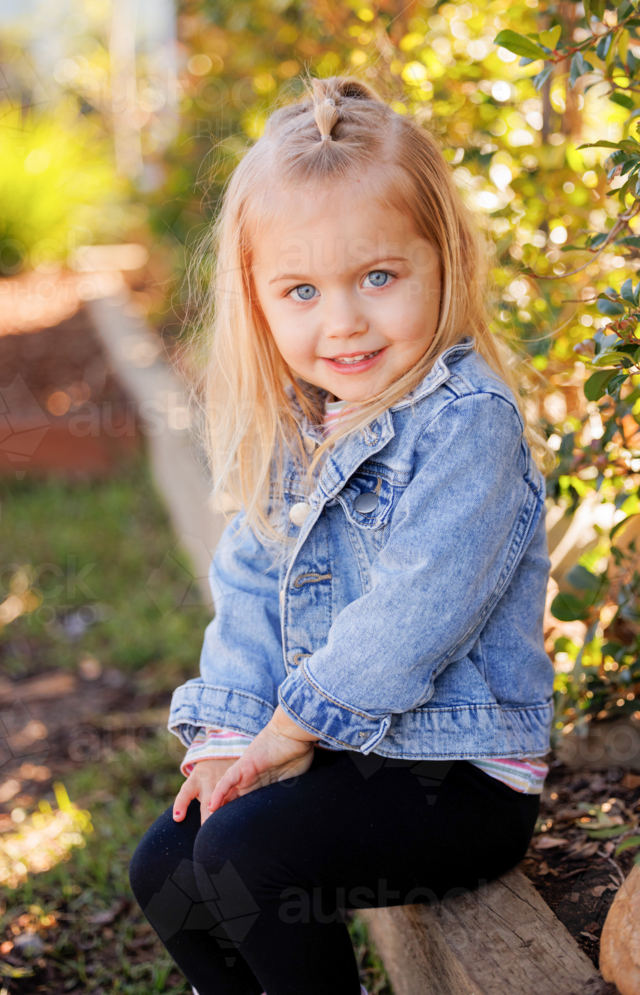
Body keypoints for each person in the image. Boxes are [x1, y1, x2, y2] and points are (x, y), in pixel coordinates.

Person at [129, 75, 555, 995]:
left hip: (462, 774)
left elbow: (417, 610)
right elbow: (247, 588)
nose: (343, 321)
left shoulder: (465, 422)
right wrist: (225, 735)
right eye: (300, 290)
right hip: (350, 750)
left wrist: (289, 729)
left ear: (440, 259)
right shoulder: (300, 422)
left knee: (245, 852)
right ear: (258, 299)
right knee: (168, 865)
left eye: (377, 277)